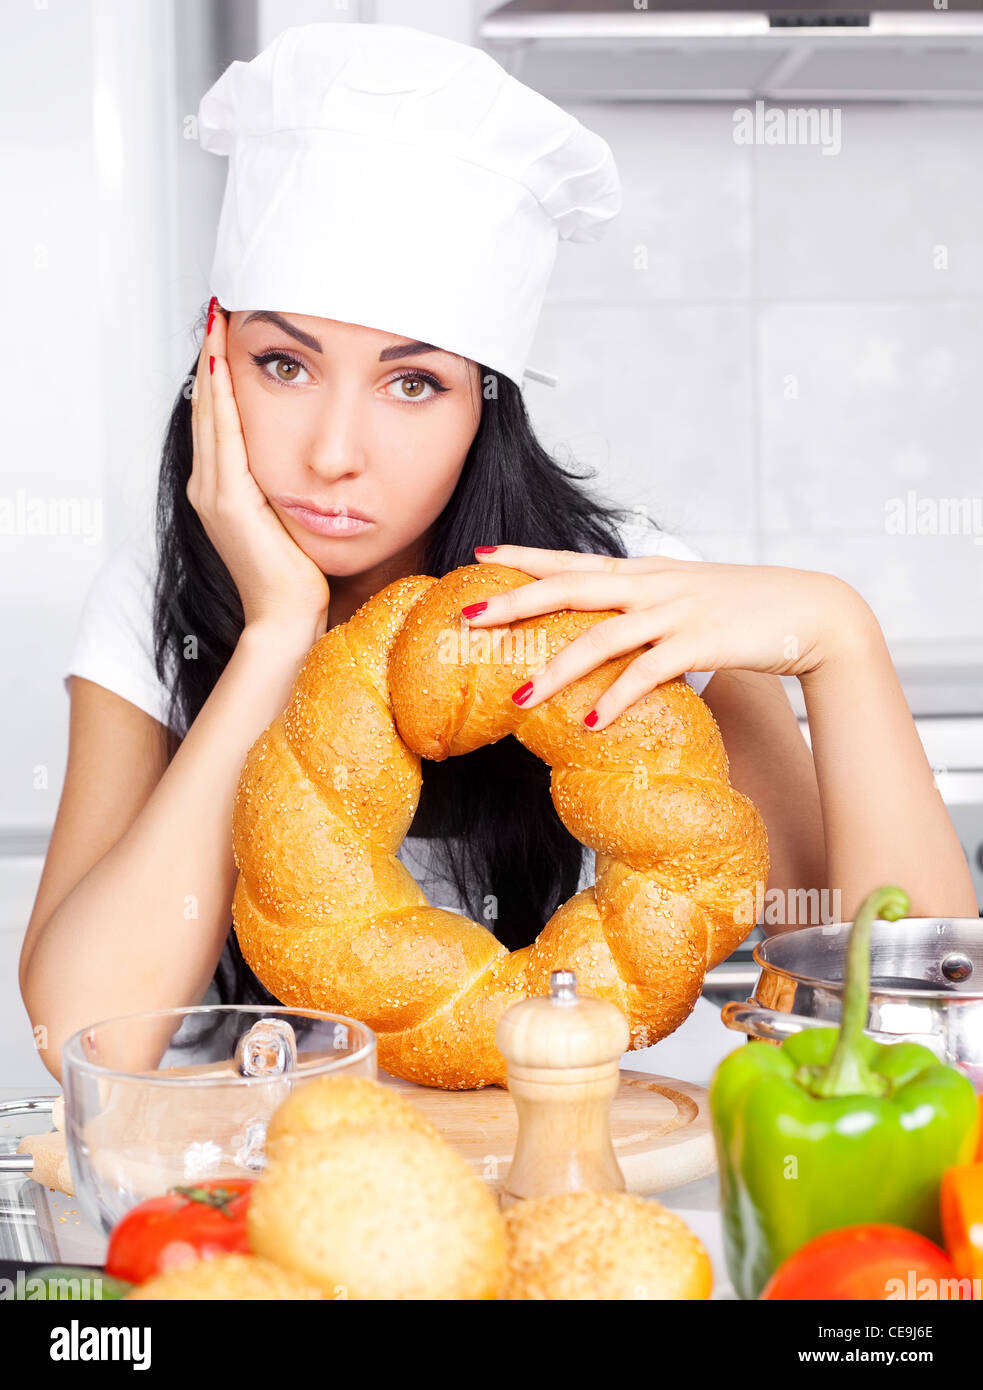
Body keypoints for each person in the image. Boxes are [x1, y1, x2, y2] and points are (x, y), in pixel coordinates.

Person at [19, 24, 975, 1087]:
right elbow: (82, 1034)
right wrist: (276, 633)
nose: (334, 453)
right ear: (213, 361)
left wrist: (841, 636)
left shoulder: (615, 588)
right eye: (283, 364)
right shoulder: (155, 598)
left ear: (486, 403)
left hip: (583, 1171)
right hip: (294, 1190)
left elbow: (910, 1024)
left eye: (412, 382)